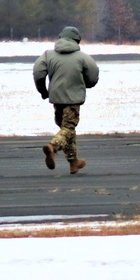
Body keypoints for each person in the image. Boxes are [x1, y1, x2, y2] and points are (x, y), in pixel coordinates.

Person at [33, 26, 100, 174]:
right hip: (73, 99)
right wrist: (86, 84)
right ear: (77, 41)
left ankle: (73, 162)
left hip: (56, 99)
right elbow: (93, 75)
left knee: (66, 129)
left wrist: (43, 91)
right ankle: (53, 147)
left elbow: (38, 72)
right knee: (68, 128)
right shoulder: (83, 57)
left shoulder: (47, 55)